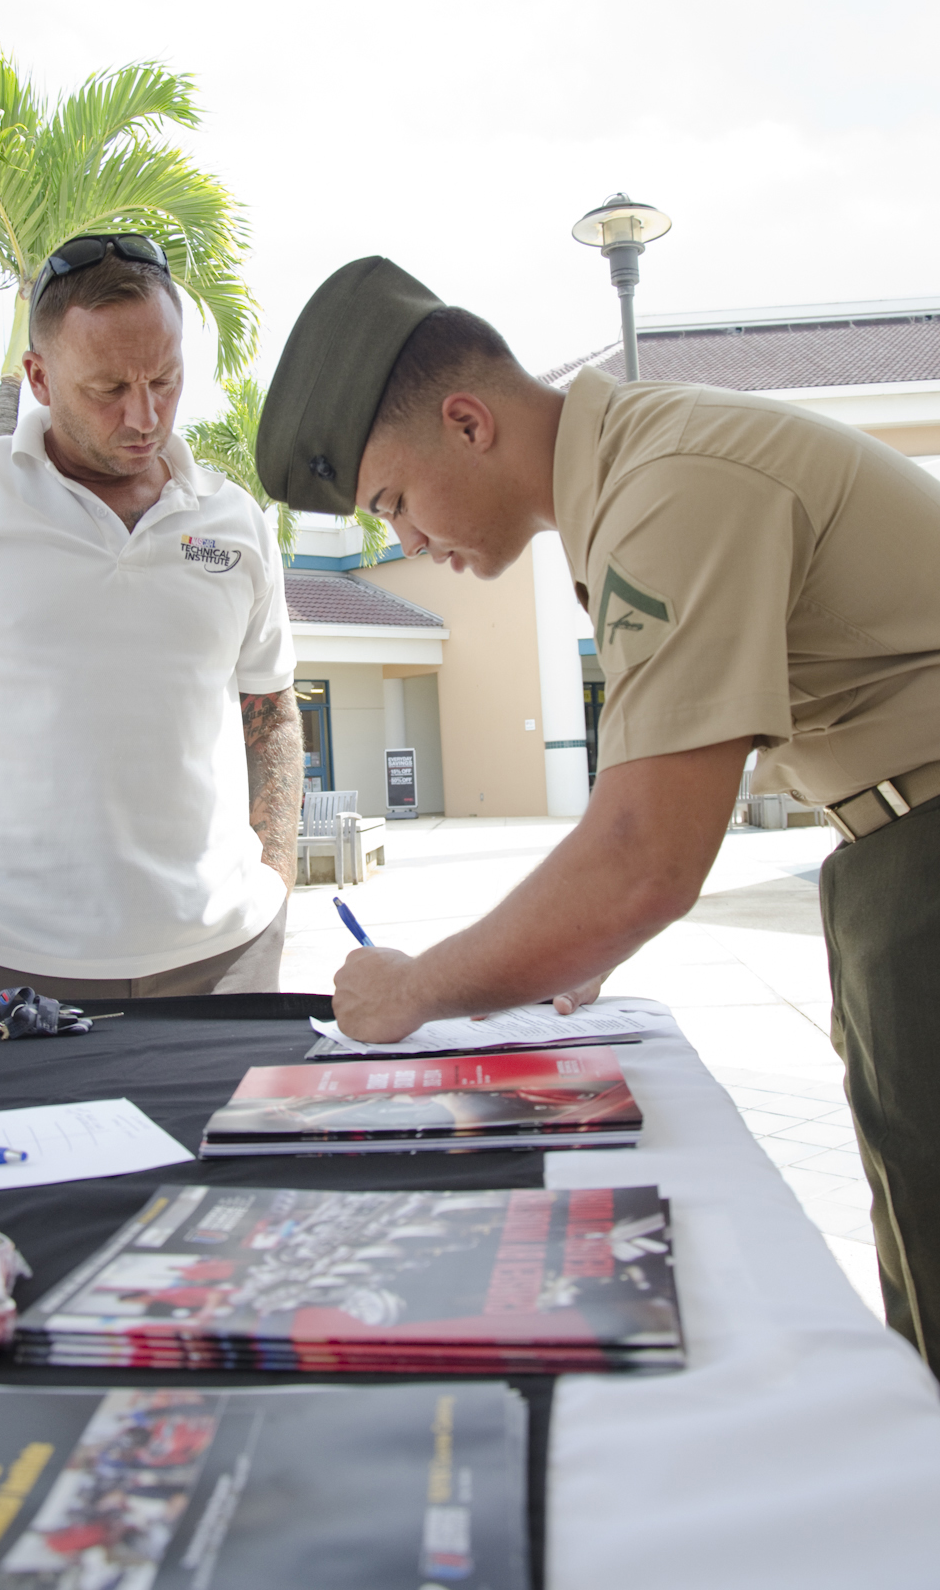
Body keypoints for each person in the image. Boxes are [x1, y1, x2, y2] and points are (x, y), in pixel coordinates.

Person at [255, 254, 940, 1371]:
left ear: (467, 421)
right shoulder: (635, 477)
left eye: (392, 503)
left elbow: (640, 858)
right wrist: (574, 936)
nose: (408, 544)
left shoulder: (668, 487)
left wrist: (412, 991)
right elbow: (654, 817)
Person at [0, 234, 302, 1027]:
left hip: (222, 960)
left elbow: (272, 712)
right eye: (109, 388)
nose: (144, 414)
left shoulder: (236, 523)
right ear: (40, 378)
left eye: (165, 379)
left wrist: (276, 878)